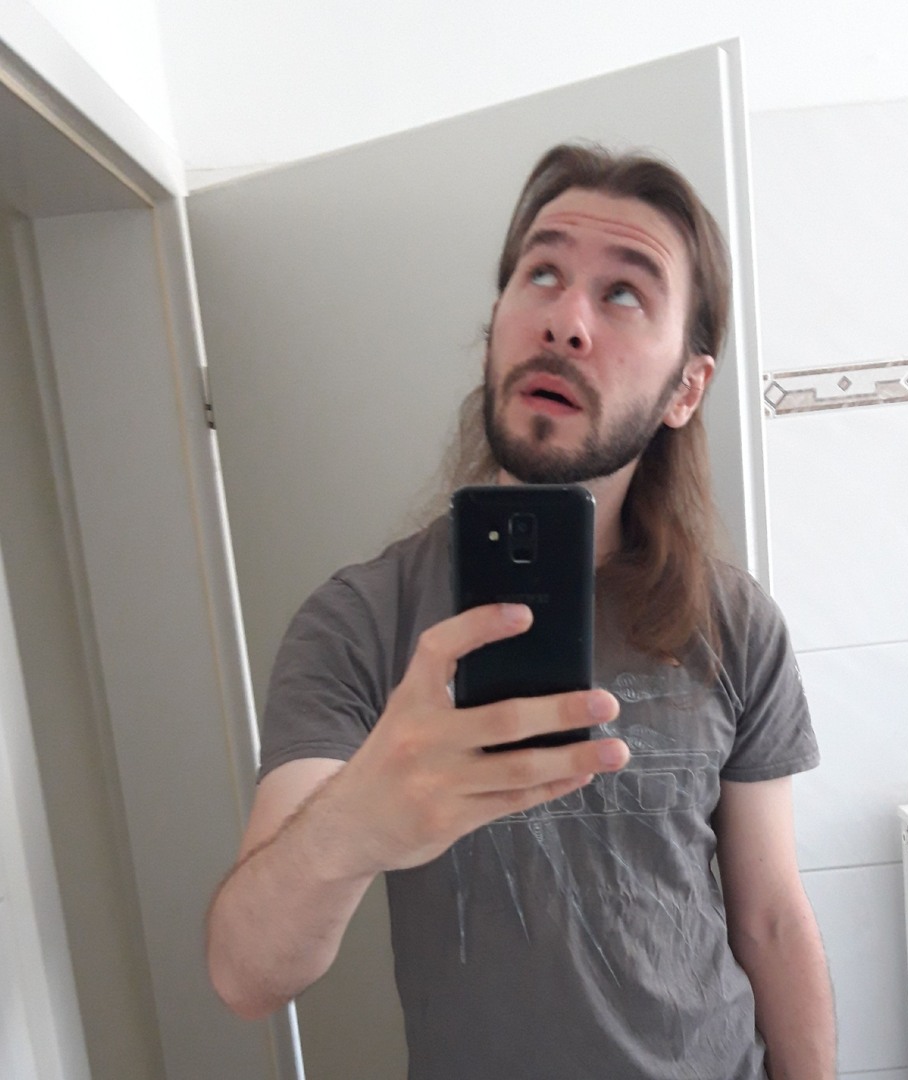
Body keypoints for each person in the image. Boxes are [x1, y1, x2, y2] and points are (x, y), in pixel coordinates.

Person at [206, 143, 836, 1079]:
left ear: (686, 388)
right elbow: (246, 975)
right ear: (495, 327)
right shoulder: (362, 622)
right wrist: (357, 821)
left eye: (623, 293)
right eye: (541, 273)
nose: (565, 322)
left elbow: (773, 918)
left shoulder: (734, 623)